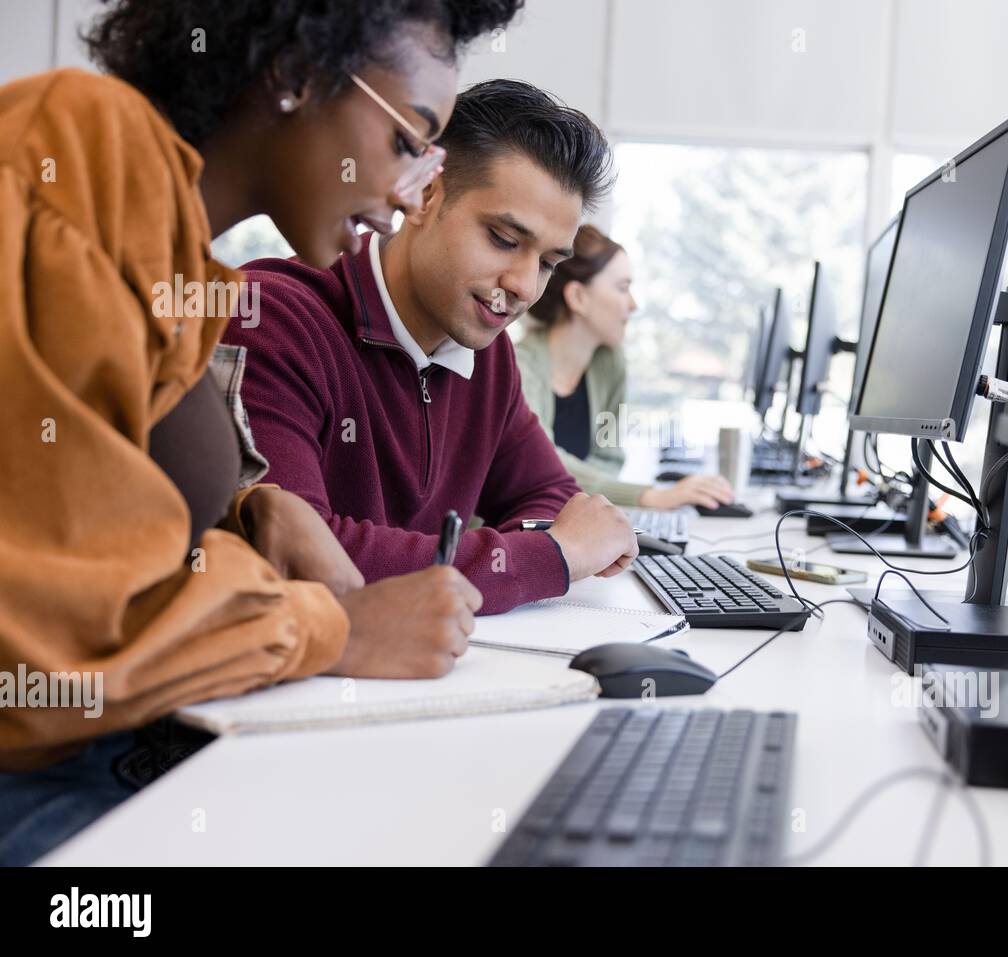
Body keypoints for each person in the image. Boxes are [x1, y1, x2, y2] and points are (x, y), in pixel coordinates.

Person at [0, 0, 523, 866]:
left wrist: (250, 512)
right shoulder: (80, 143)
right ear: (297, 73)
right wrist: (338, 627)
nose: (406, 198)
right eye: (407, 142)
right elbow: (50, 644)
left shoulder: (180, 256)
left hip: (120, 743)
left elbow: (87, 500)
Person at [223, 80, 638, 615]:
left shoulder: (489, 356)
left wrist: (524, 556)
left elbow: (552, 499)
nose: (524, 286)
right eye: (505, 241)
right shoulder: (271, 319)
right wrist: (549, 557)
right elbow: (303, 558)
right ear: (424, 195)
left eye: (548, 263)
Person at [515, 225, 735, 509]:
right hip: (515, 530)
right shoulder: (521, 367)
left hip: (569, 517)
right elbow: (541, 459)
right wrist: (649, 497)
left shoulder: (609, 363)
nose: (632, 304)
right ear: (578, 297)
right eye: (622, 288)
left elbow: (609, 458)